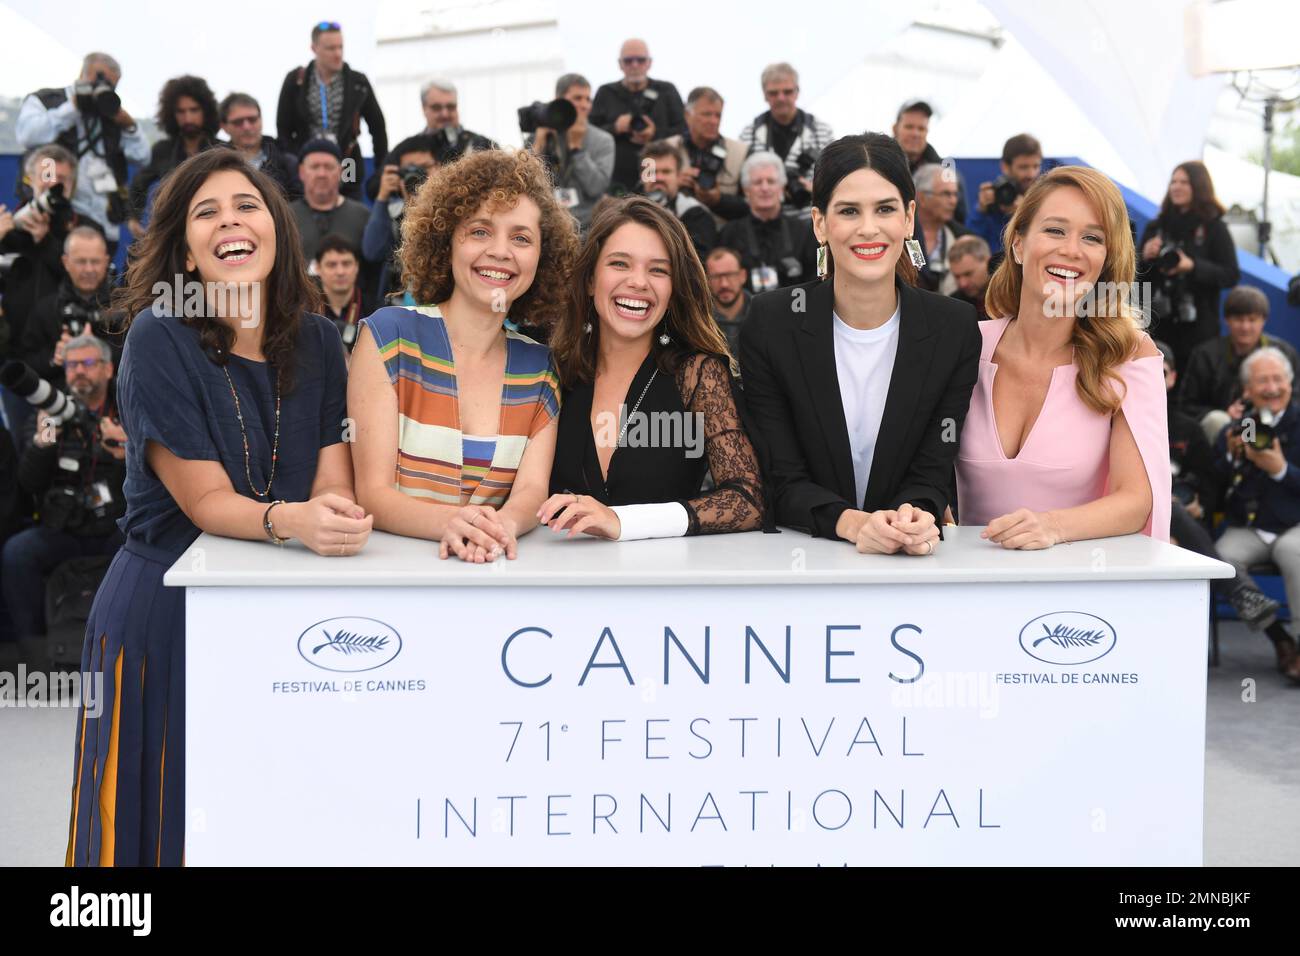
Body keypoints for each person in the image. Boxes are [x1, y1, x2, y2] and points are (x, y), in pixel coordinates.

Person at [65, 148, 371, 867]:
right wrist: (295, 522)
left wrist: (335, 515)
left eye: (247, 206)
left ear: (277, 228)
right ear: (188, 252)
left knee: (263, 823)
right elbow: (205, 502)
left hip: (281, 612)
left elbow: (334, 480)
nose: (230, 222)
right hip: (165, 612)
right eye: (207, 213)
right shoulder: (157, 336)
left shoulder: (322, 341)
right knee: (155, 826)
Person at [741, 133, 980, 553]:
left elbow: (934, 467)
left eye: (884, 209)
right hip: (798, 562)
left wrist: (916, 515)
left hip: (908, 564)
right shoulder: (771, 323)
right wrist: (854, 525)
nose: (868, 228)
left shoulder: (954, 327)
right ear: (820, 223)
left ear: (908, 219)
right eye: (849, 211)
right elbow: (780, 478)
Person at [348, 149, 578, 563]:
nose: (501, 251)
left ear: (542, 258)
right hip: (390, 586)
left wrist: (503, 526)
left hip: (490, 581)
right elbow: (373, 495)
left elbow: (530, 493)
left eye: (521, 238)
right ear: (446, 240)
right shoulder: (388, 336)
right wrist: (453, 523)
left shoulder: (542, 367)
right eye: (480, 231)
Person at [955, 165, 1170, 548]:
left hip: (1075, 595)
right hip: (961, 588)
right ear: (1018, 244)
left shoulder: (1129, 356)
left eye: (1092, 237)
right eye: (1055, 230)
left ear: (1106, 259)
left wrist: (1052, 527)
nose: (1071, 250)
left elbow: (1136, 501)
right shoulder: (964, 344)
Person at [540, 197, 763, 540]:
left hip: (662, 583)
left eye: (658, 270)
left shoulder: (698, 374)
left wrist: (623, 523)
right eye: (619, 264)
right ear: (589, 281)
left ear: (673, 291)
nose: (639, 282)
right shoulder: (551, 371)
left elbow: (748, 500)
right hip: (556, 582)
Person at [1154, 340, 1292, 662]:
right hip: (1136, 523)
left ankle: (1284, 643)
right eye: (1262, 381)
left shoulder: (1189, 428)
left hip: (1187, 524)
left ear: (1172, 377)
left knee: (1172, 517)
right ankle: (1243, 594)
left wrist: (1201, 503)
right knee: (1160, 501)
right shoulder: (1114, 420)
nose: (1270, 389)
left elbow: (1213, 482)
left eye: (1159, 373)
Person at [4, 335, 125, 667]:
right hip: (64, 529)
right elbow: (28, 482)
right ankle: (35, 655)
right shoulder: (50, 411)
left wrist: (125, 451)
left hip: (115, 525)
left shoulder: (127, 409)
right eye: (72, 365)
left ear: (108, 368)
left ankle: (134, 648)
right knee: (18, 553)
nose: (79, 372)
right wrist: (44, 443)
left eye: (88, 363)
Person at [1212, 347, 1300, 681]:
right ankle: (1278, 637)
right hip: (1250, 526)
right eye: (1262, 381)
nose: (1272, 388)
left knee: (1295, 551)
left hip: (1294, 524)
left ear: (1290, 384)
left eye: (1278, 379)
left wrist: (1281, 470)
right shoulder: (1240, 428)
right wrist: (1232, 456)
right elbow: (1217, 486)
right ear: (1247, 389)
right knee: (1221, 564)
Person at [15, 52, 151, 247]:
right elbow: (28, 135)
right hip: (51, 215)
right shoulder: (46, 100)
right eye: (100, 78)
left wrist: (130, 126)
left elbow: (142, 156)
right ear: (83, 73)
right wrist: (72, 108)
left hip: (101, 222)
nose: (104, 87)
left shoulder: (110, 117)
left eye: (111, 85)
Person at [0, 146, 105, 359]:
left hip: (66, 353)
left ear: (72, 186)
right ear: (29, 179)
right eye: (46, 175)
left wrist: (46, 241)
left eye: (61, 179)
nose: (52, 184)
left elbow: (93, 283)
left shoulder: (88, 231)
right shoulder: (9, 226)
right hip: (11, 350)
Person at [1139, 160, 1241, 373]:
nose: (1176, 187)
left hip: (1198, 331)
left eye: (1184, 182)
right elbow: (1134, 277)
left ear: (1199, 186)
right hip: (1158, 327)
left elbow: (1230, 274)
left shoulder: (1214, 228)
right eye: (1173, 181)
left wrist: (1192, 267)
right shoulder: (1156, 226)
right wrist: (1145, 256)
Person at [275, 21, 387, 201]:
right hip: (308, 164)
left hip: (347, 160)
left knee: (350, 210)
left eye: (340, 47)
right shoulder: (296, 80)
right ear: (314, 48)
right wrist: (296, 162)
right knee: (305, 217)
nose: (337, 54)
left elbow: (378, 127)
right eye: (330, 48)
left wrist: (381, 169)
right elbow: (283, 128)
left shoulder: (358, 82)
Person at [1179, 284, 1298, 445]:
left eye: (1252, 320)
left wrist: (1269, 406)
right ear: (1227, 319)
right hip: (1224, 429)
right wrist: (1225, 413)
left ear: (1264, 320)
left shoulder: (1285, 353)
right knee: (1216, 420)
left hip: (1277, 425)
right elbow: (1186, 405)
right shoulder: (1205, 355)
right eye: (1239, 319)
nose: (1245, 327)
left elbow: (1296, 395)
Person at [21, 225, 120, 389]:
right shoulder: (45, 309)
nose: (89, 269)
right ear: (65, 262)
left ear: (106, 261)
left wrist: (97, 349)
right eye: (81, 261)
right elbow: (26, 366)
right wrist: (55, 357)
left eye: (95, 261)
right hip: (59, 405)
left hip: (116, 405)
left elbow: (140, 358)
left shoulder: (125, 306)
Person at [589, 39, 686, 195]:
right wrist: (615, 127)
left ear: (649, 63)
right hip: (618, 180)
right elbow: (589, 133)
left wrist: (655, 134)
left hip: (659, 178)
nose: (635, 65)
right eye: (628, 61)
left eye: (640, 60)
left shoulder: (666, 90)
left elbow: (684, 130)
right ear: (620, 64)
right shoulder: (606, 92)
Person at [718, 152, 818, 293]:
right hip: (747, 313)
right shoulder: (729, 234)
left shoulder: (805, 233)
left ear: (782, 188)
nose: (765, 188)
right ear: (746, 190)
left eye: (771, 181)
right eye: (757, 182)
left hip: (796, 310)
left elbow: (816, 282)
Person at [738, 63, 835, 209]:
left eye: (787, 92)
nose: (781, 98)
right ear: (764, 94)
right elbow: (741, 183)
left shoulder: (821, 131)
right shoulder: (748, 134)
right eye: (773, 93)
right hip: (763, 221)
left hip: (809, 218)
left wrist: (814, 189)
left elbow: (834, 178)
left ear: (797, 92)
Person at [129, 75, 220, 225]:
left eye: (194, 110)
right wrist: (134, 218)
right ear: (172, 114)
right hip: (174, 228)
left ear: (206, 111)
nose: (188, 118)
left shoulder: (222, 150)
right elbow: (139, 184)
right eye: (181, 112)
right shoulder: (163, 150)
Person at [528, 73, 614, 232]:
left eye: (588, 99)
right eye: (577, 98)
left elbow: (596, 187)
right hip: (545, 225)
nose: (584, 105)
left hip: (587, 227)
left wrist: (577, 148)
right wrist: (538, 144)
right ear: (558, 100)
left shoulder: (603, 140)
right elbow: (526, 181)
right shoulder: (542, 135)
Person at [363, 134, 442, 302]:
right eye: (410, 170)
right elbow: (372, 251)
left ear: (439, 168)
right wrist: (382, 197)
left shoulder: (455, 213)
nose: (419, 178)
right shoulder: (392, 213)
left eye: (424, 168)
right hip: (397, 309)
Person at [664, 87, 749, 224]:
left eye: (718, 115)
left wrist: (718, 200)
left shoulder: (741, 152)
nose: (713, 121)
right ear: (687, 115)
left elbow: (752, 206)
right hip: (675, 232)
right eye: (706, 114)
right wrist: (671, 183)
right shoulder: (664, 148)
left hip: (724, 235)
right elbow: (643, 188)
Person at [290, 139, 370, 267]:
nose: (322, 174)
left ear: (340, 172)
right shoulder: (286, 217)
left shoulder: (362, 216)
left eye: (329, 167)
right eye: (315, 167)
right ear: (301, 172)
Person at [892, 99, 968, 224]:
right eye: (909, 127)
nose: (915, 134)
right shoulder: (877, 167)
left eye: (921, 129)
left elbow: (959, 219)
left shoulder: (947, 174)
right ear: (895, 129)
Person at [967, 133, 1043, 254]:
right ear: (1005, 167)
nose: (1031, 174)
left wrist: (1023, 216)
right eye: (1023, 167)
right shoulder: (994, 196)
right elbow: (971, 246)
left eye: (1036, 166)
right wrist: (980, 211)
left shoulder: (1045, 199)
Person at [639, 140, 717, 258]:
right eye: (652, 172)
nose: (658, 177)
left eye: (666, 172)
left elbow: (698, 265)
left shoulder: (697, 215)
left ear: (679, 176)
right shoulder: (625, 211)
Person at [218, 92, 302, 200]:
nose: (247, 127)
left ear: (261, 119)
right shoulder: (215, 164)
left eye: (252, 120)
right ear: (224, 126)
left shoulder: (288, 162)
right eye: (238, 122)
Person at [912, 163, 968, 295]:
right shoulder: (902, 236)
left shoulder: (962, 238)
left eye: (955, 194)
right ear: (922, 198)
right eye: (946, 194)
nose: (953, 201)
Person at [313, 234, 374, 353]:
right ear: (318, 268)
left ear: (357, 266)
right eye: (331, 265)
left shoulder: (374, 310)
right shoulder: (304, 309)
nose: (340, 272)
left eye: (346, 264)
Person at [414, 78, 495, 160]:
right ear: (423, 108)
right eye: (437, 107)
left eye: (451, 107)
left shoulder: (484, 146)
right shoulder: (408, 150)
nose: (445, 114)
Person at [705, 246, 751, 357]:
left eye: (730, 275)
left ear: (743, 276)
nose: (724, 284)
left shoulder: (761, 314)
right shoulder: (698, 320)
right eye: (716, 277)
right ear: (707, 280)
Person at [947, 235, 991, 319]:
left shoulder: (1011, 296)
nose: (963, 284)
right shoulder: (953, 305)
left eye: (968, 274)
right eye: (957, 277)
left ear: (987, 262)